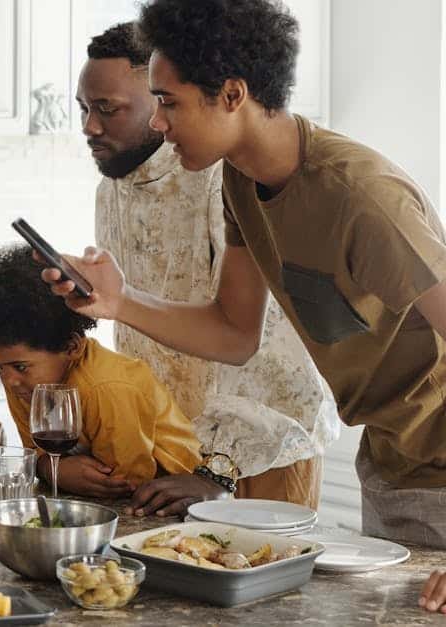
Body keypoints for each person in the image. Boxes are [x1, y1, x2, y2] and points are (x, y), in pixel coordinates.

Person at [38, 1, 446, 613]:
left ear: (232, 94)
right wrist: (121, 302)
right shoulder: (241, 182)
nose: (160, 124)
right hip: (392, 464)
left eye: (170, 103)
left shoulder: (360, 196)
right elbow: (234, 333)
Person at [78, 22, 338, 516]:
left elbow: (271, 348)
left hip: (260, 456)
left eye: (107, 108)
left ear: (158, 100)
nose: (90, 126)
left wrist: (219, 468)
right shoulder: (109, 189)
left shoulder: (227, 177)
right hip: (169, 457)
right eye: (84, 109)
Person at [0, 246, 201, 491]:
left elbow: (127, 482)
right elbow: (36, 454)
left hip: (174, 494)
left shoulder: (107, 388)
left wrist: (56, 471)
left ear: (72, 346)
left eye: (19, 366)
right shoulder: (26, 384)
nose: (9, 380)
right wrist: (54, 471)